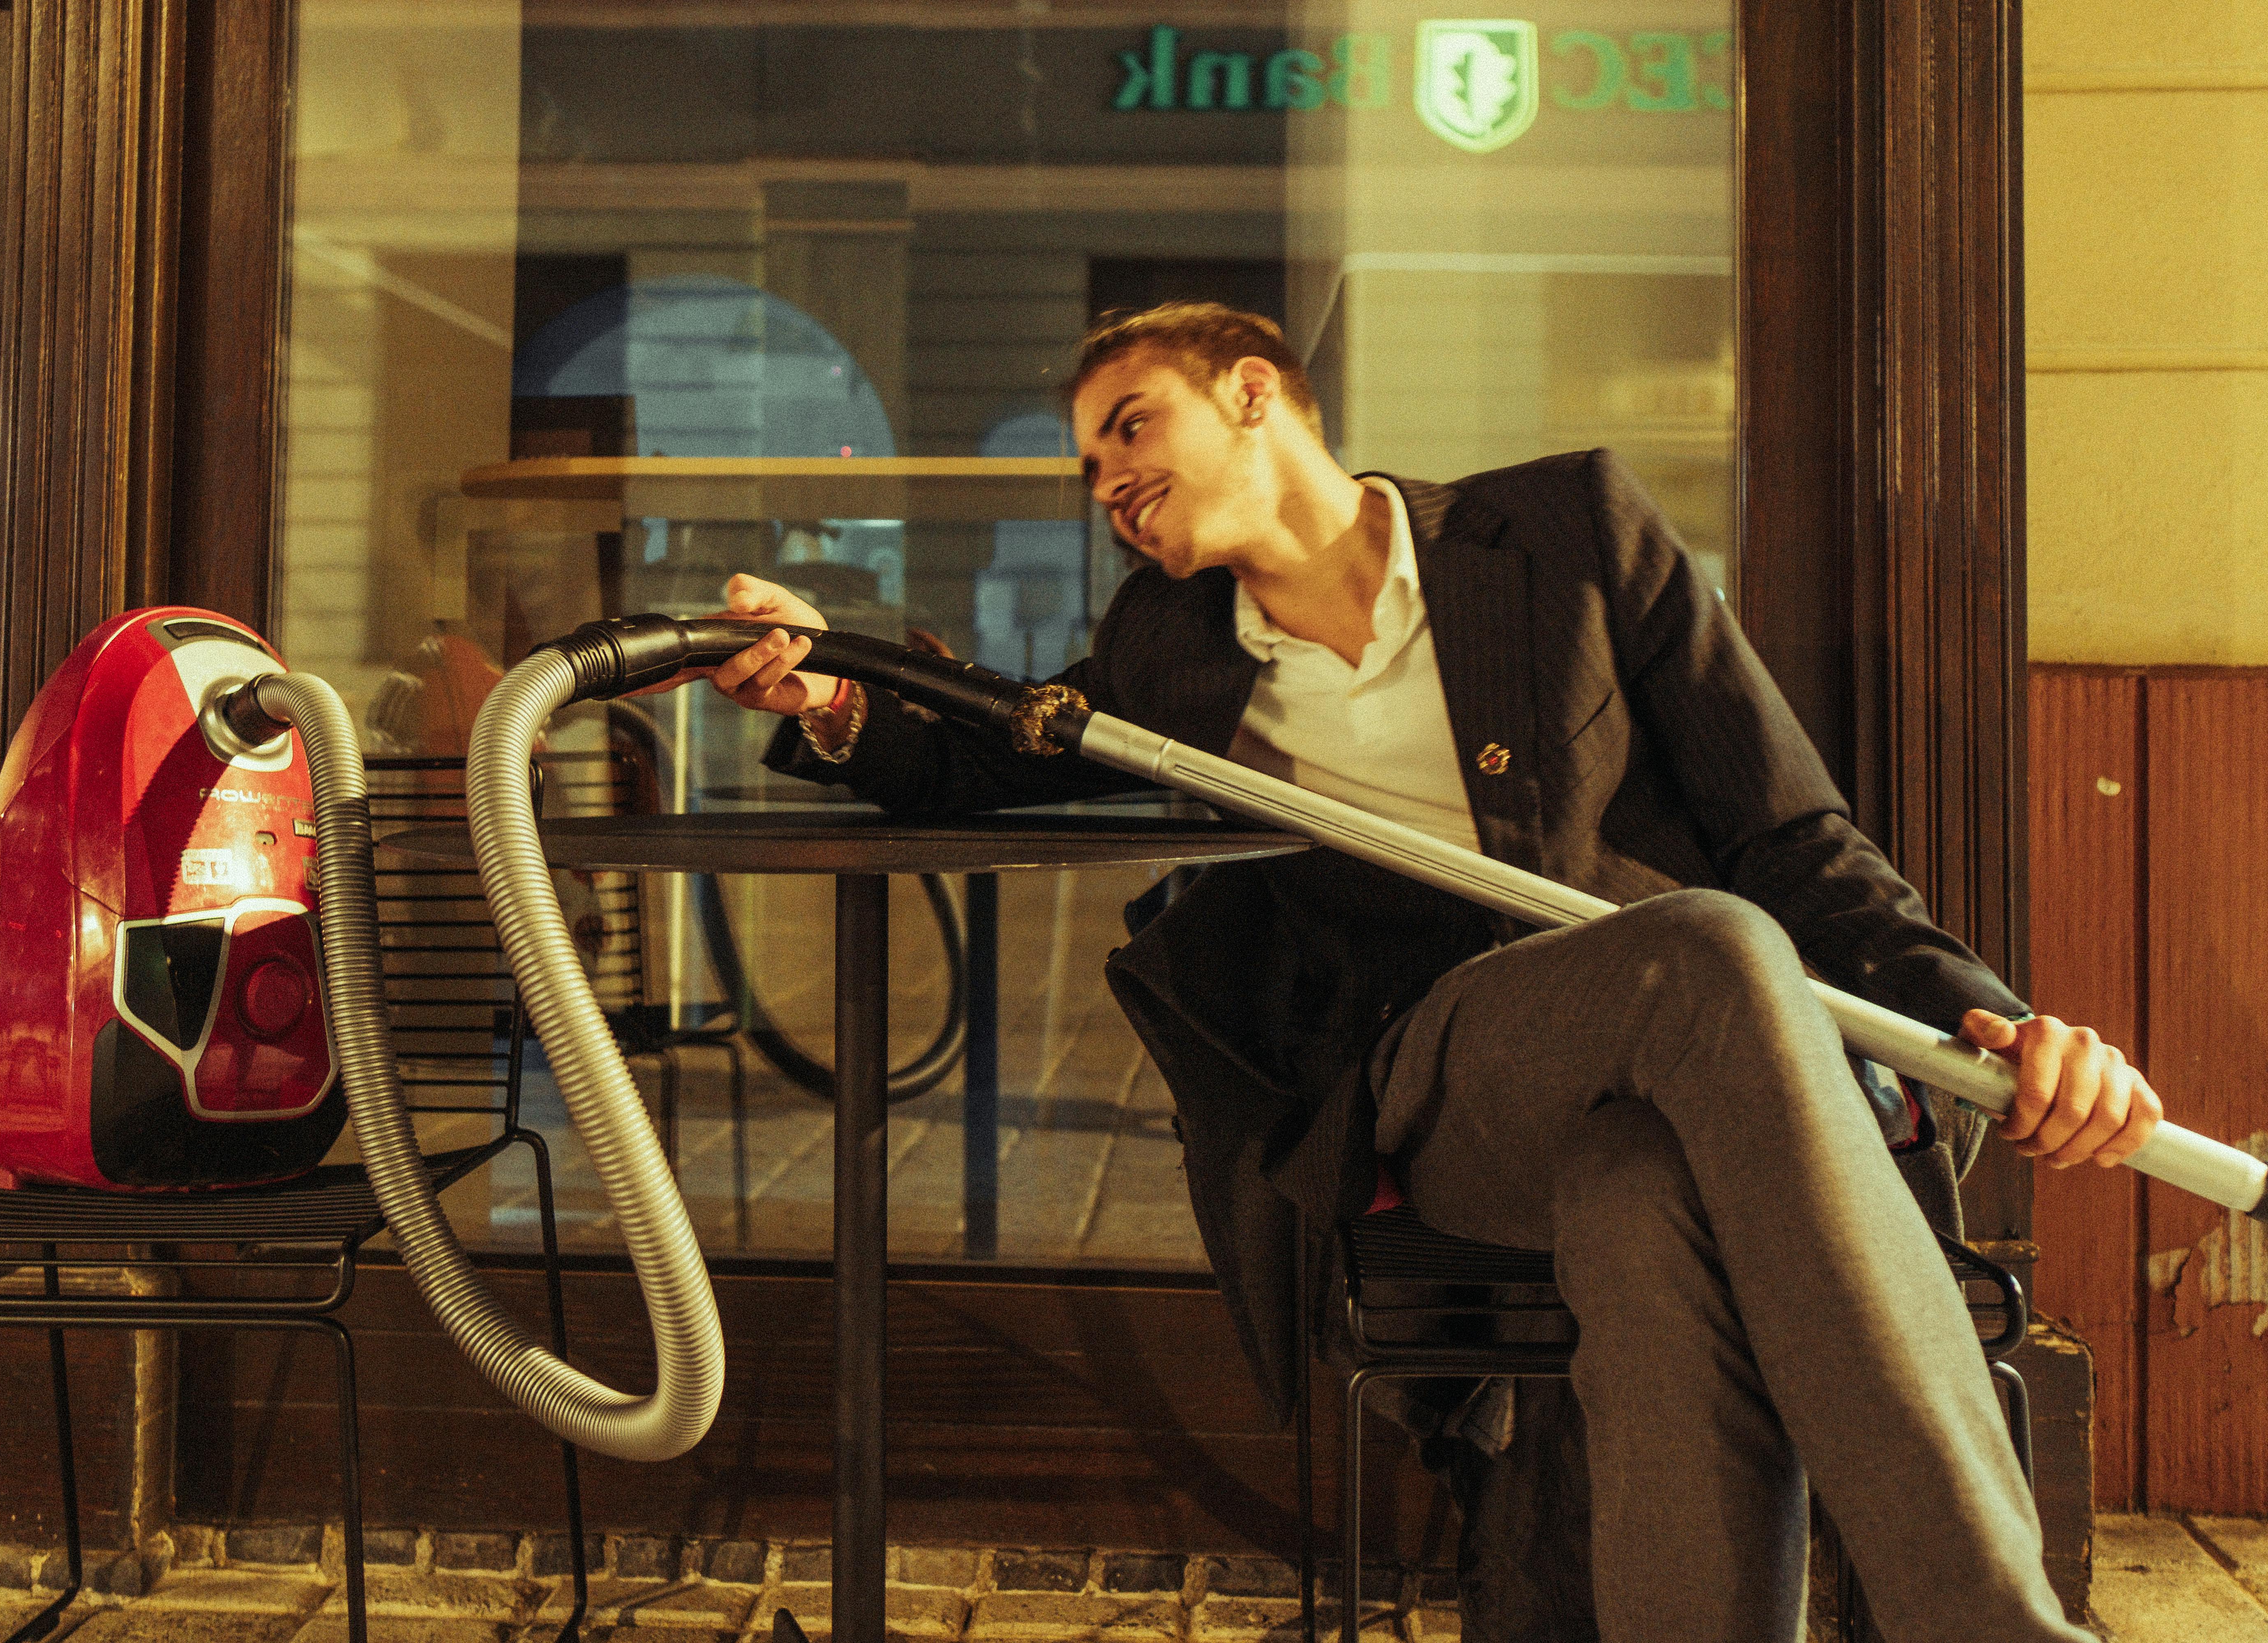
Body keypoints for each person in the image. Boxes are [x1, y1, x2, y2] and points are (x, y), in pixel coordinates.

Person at [699, 303, 2159, 1643]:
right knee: (1707, 948)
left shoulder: (1572, 529)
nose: (1106, 481)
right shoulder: (1169, 648)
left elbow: (1789, 833)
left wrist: (1997, 1024)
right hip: (1442, 1087)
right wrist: (826, 690)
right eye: (1089, 461)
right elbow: (979, 750)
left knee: (1642, 1191)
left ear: (1254, 391)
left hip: (1674, 1065)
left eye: (1130, 425)